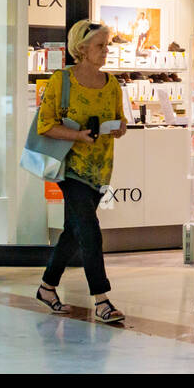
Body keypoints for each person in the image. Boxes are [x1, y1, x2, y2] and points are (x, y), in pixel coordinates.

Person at [36, 20, 128, 323]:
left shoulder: (111, 83)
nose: (106, 51)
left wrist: (119, 128)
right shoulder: (62, 80)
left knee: (74, 231)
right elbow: (45, 124)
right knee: (89, 229)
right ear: (82, 48)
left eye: (107, 45)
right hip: (70, 167)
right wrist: (77, 136)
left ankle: (47, 286)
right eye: (100, 45)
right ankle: (102, 299)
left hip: (100, 168)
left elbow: (119, 120)